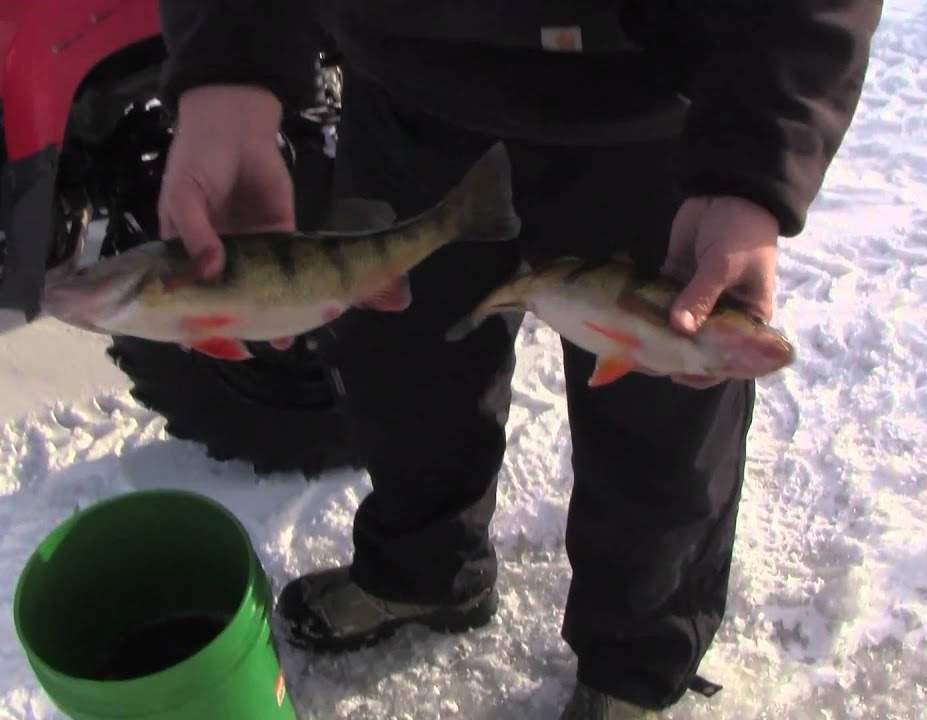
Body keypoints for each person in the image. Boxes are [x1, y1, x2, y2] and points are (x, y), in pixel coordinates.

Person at [155, 2, 882, 717]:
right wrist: (229, 59)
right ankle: (423, 571)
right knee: (403, 372)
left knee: (659, 427)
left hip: (656, 100)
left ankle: (634, 671)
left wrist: (752, 170)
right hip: (406, 84)